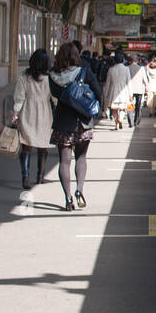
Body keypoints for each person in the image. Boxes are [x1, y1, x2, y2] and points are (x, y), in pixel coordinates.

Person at [48, 43, 101, 211]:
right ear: (76, 56)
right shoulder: (84, 73)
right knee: (81, 158)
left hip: (63, 122)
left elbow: (55, 96)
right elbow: (98, 92)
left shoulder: (53, 76)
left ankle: (68, 198)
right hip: (83, 123)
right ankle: (79, 190)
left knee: (64, 161)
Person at [12, 48, 53, 190]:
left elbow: (19, 98)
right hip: (45, 114)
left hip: (27, 113)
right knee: (43, 146)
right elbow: (55, 99)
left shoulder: (24, 77)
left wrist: (15, 114)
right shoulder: (50, 78)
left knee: (26, 146)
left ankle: (25, 177)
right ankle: (40, 176)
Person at [103, 51, 133, 130]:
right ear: (122, 60)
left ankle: (116, 124)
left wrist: (106, 94)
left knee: (114, 109)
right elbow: (128, 82)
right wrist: (130, 94)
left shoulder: (111, 69)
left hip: (113, 92)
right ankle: (121, 119)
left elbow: (108, 83)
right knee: (123, 108)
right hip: (124, 91)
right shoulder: (126, 69)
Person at [127, 56, 147, 127]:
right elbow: (145, 80)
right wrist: (147, 88)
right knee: (138, 106)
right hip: (139, 89)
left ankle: (130, 121)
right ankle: (136, 120)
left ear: (130, 61)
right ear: (137, 61)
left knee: (130, 104)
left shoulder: (127, 68)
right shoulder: (141, 69)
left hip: (130, 90)